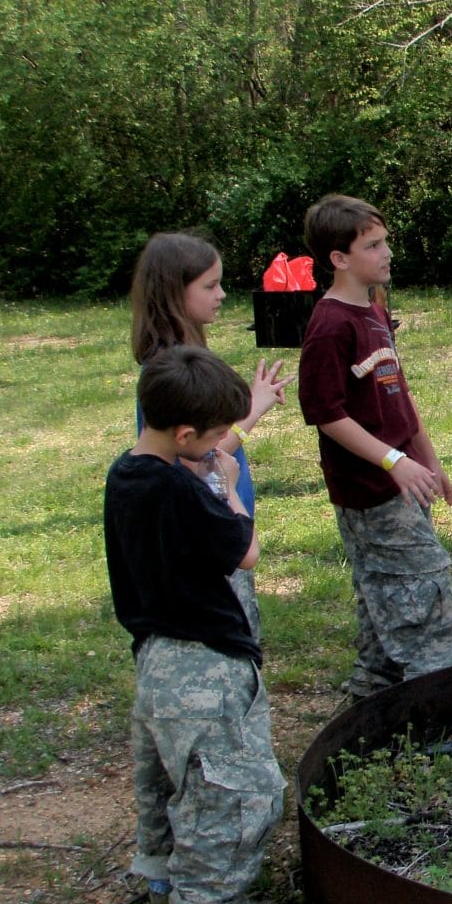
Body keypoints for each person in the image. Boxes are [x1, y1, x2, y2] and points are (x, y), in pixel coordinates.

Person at [104, 346, 286, 904]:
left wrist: (223, 443)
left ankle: (162, 882)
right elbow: (245, 549)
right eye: (211, 439)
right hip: (204, 666)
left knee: (165, 780)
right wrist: (229, 489)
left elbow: (197, 462)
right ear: (185, 434)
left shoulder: (128, 473)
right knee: (234, 790)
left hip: (154, 661)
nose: (218, 448)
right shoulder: (187, 493)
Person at [298, 194, 452, 698]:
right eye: (373, 245)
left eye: (385, 240)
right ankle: (436, 697)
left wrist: (427, 461)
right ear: (339, 259)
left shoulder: (373, 310)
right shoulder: (329, 327)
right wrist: (393, 461)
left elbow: (399, 398)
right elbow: (325, 414)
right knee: (420, 585)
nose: (387, 252)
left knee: (383, 588)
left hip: (404, 478)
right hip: (369, 487)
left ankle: (373, 692)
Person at [130, 232, 295, 638]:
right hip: (210, 531)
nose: (221, 294)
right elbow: (195, 455)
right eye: (209, 286)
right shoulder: (173, 371)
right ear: (172, 292)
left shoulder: (180, 360)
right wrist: (251, 412)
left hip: (218, 524)